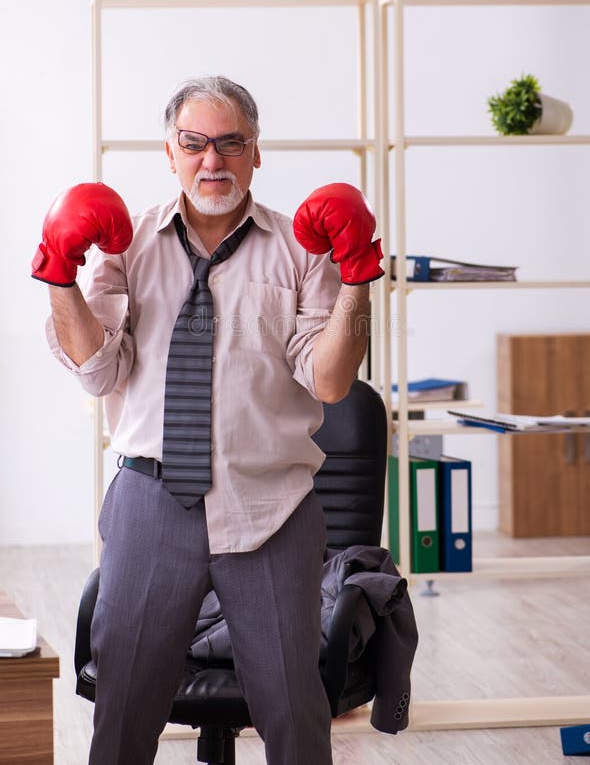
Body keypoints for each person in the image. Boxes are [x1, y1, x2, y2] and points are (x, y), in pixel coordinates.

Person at [33, 76, 385, 765]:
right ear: (170, 153)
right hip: (149, 498)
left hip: (272, 505)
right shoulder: (127, 244)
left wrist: (357, 275)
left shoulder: (300, 250)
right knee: (124, 705)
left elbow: (331, 379)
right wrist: (58, 276)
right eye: (194, 144)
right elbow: (97, 369)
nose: (212, 161)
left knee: (293, 709)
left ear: (257, 153)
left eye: (230, 144)